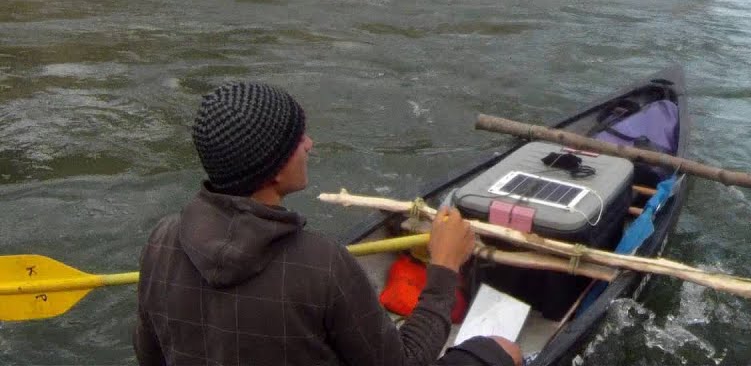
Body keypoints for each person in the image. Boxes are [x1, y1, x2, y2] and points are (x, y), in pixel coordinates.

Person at [134, 81, 521, 366]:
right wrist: (444, 269)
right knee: (504, 350)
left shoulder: (162, 240)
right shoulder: (321, 264)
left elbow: (150, 355)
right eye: (297, 139)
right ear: (274, 170)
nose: (309, 144)